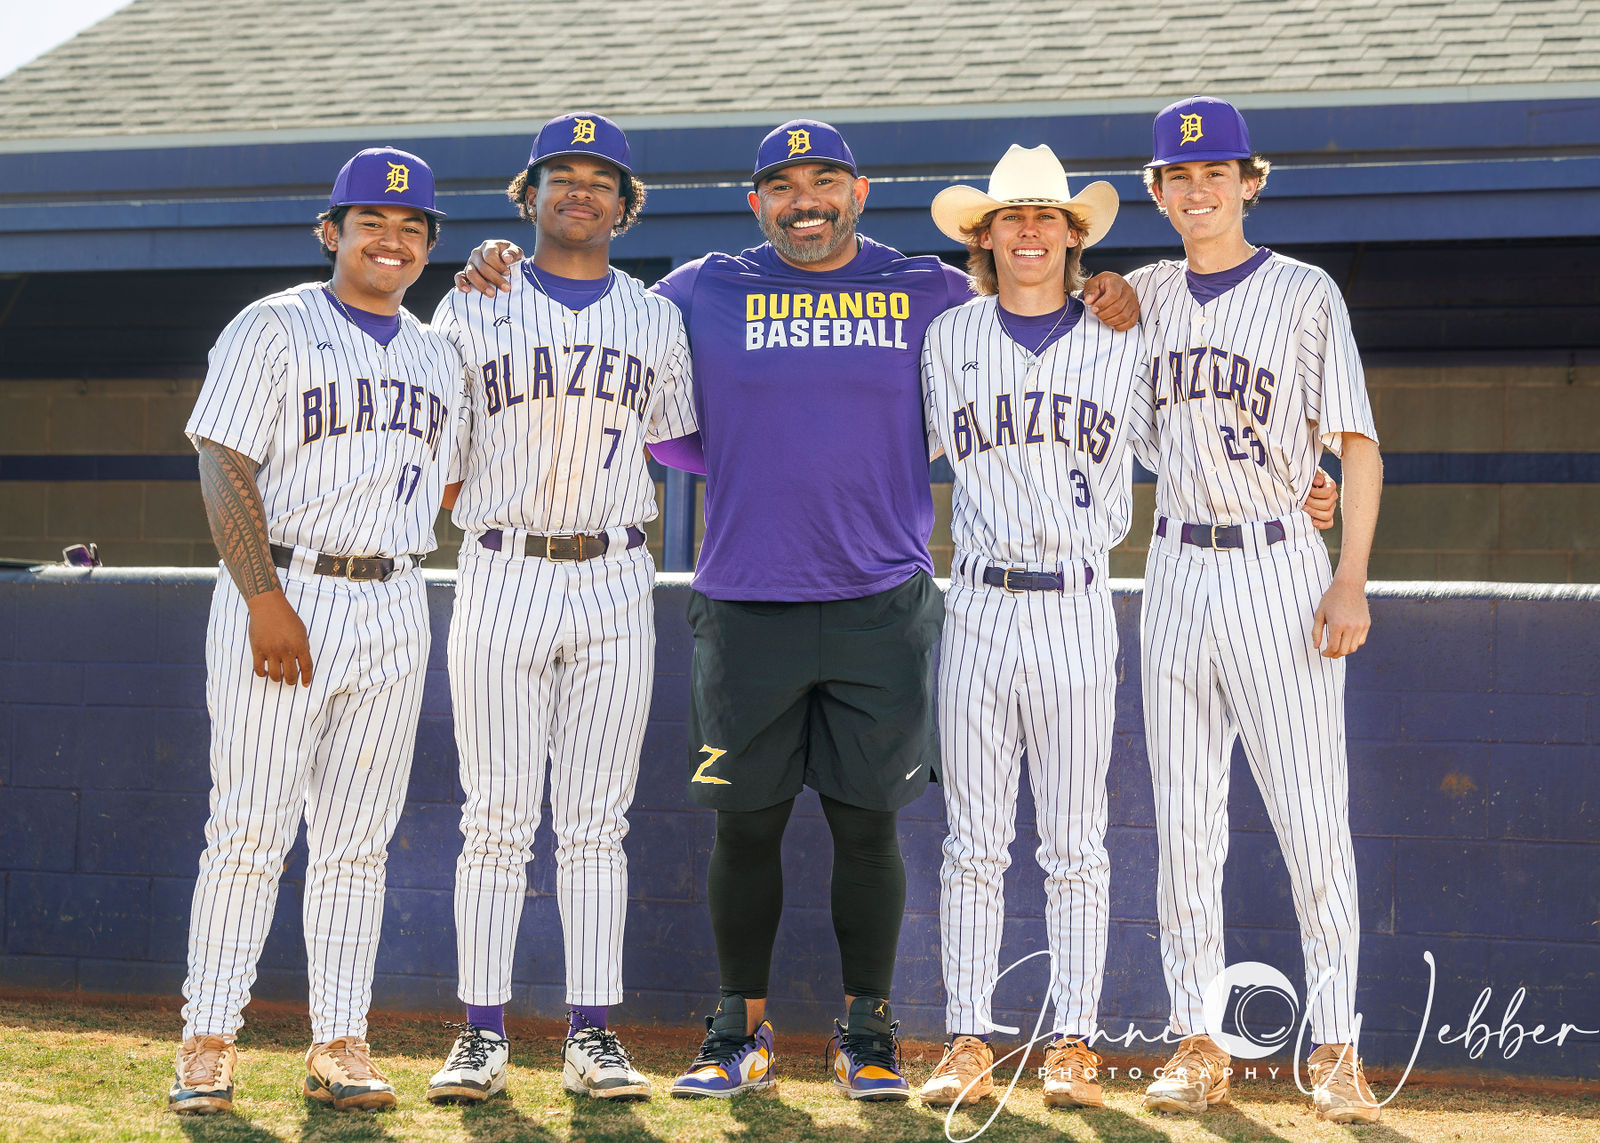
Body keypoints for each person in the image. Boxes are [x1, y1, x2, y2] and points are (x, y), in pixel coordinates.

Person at [455, 117, 1140, 1103]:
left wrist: (1101, 288)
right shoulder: (699, 289)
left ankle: (868, 1036)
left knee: (870, 830)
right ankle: (736, 1032)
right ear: (756, 203)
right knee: (746, 828)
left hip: (881, 603)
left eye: (825, 181)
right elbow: (637, 389)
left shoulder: (932, 292)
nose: (805, 198)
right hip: (744, 600)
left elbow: (1031, 310)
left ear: (859, 196)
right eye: (783, 185)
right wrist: (494, 265)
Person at [914, 143, 1339, 1112]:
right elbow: (893, 443)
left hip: (1075, 593)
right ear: (983, 239)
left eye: (1046, 218)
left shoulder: (1125, 336)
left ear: (1075, 236)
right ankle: (969, 1037)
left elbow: (1204, 431)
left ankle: (1073, 1040)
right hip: (976, 595)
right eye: (1009, 218)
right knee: (973, 838)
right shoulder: (949, 338)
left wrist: (1301, 483)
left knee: (1075, 840)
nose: (1028, 231)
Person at [170, 148, 462, 1115]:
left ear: (427, 245)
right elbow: (222, 461)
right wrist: (261, 596)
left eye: (412, 225)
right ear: (331, 231)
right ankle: (207, 1037)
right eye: (372, 220)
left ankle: (340, 1040)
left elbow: (448, 478)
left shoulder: (433, 350)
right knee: (250, 831)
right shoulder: (274, 323)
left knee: (356, 843)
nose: (393, 237)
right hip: (286, 583)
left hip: (392, 596)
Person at [425, 113, 697, 1105]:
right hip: (501, 567)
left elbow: (678, 443)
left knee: (595, 824)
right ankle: (481, 1033)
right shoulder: (469, 304)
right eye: (560, 175)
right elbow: (438, 461)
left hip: (616, 573)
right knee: (493, 819)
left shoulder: (654, 317)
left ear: (625, 206)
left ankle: (593, 1033)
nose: (580, 192)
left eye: (601, 179)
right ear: (527, 195)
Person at [1129, 96, 1384, 1125]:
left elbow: (1355, 444)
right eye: (1177, 176)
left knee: (1311, 818)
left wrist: (1350, 572)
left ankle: (1334, 1047)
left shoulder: (1302, 291)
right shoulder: (1135, 295)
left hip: (1279, 561)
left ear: (1249, 182)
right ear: (1155, 191)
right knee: (1186, 828)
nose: (1197, 189)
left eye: (1215, 173)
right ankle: (1197, 1039)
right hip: (1174, 566)